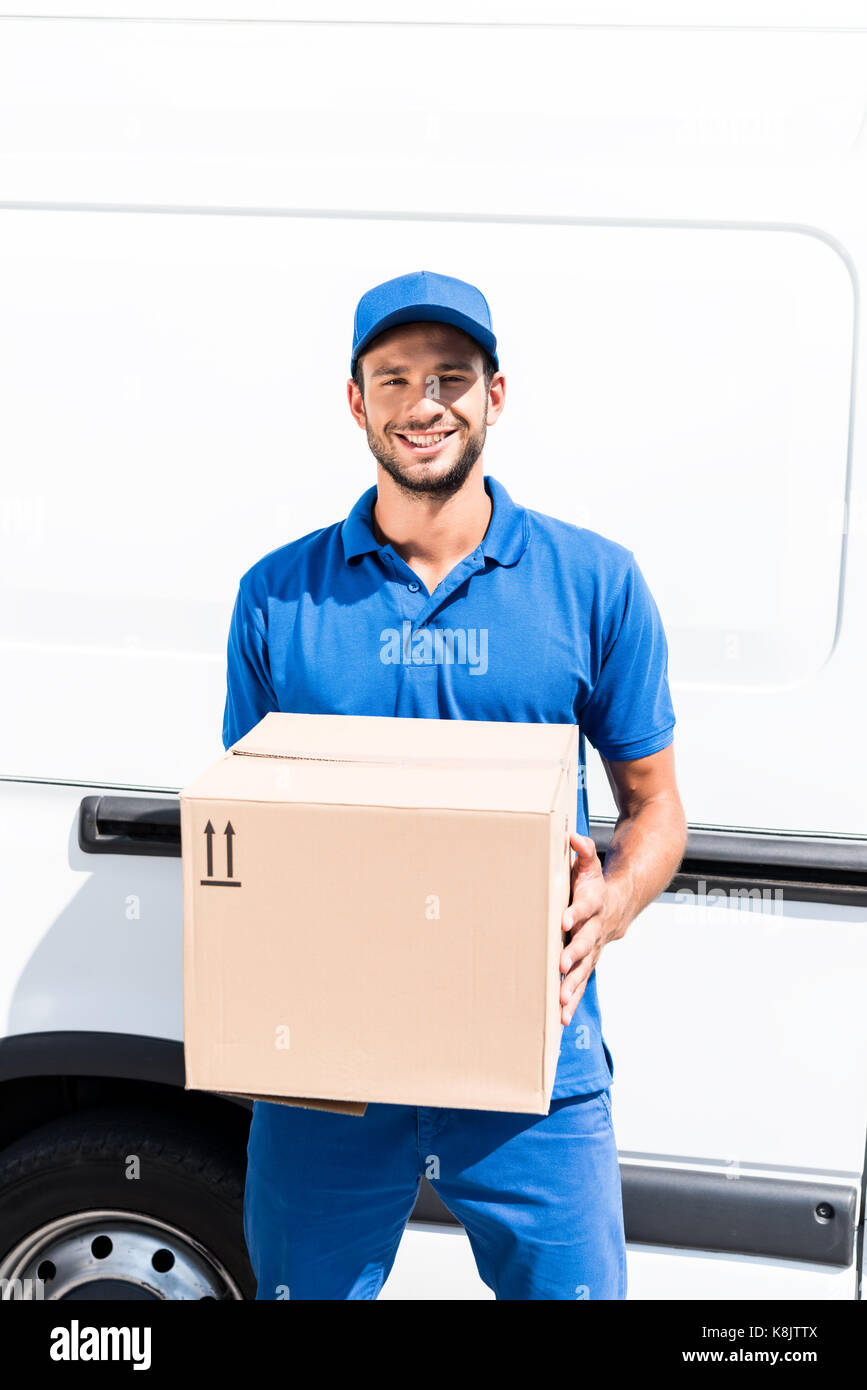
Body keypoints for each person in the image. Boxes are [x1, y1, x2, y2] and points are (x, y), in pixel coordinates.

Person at [223, 269, 688, 1300]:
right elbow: (251, 830)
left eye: (450, 377)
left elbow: (656, 807)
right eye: (393, 379)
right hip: (325, 1066)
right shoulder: (278, 595)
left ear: (495, 395)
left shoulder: (593, 582)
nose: (422, 403)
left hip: (533, 1053)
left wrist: (606, 907)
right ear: (357, 402)